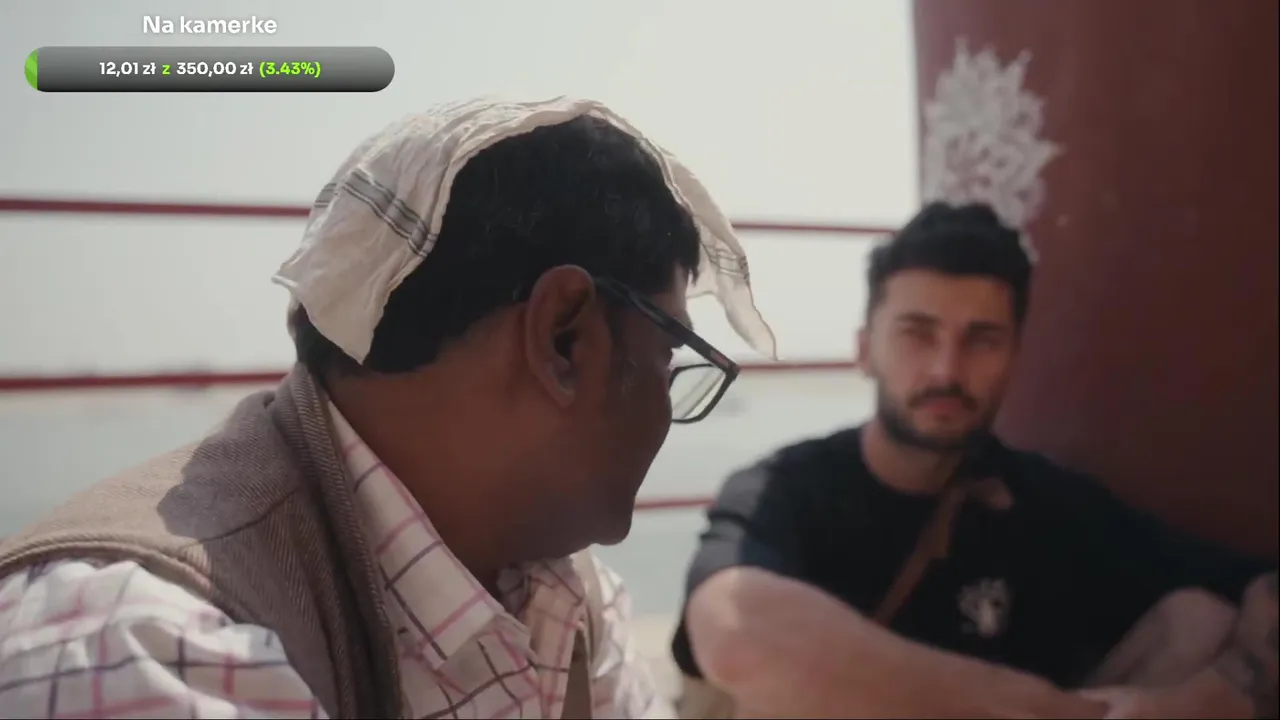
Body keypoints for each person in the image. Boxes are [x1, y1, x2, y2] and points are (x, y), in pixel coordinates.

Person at [0, 97, 776, 719]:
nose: (666, 408)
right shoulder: (150, 647)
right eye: (669, 353)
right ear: (564, 338)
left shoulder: (563, 594)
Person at [671, 202, 1277, 719]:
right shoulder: (787, 488)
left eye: (982, 339)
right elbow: (736, 635)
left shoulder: (1044, 502)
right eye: (918, 333)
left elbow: (1248, 584)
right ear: (865, 350)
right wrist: (1050, 711)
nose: (946, 370)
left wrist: (1233, 688)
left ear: (1015, 356)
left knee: (1198, 619)